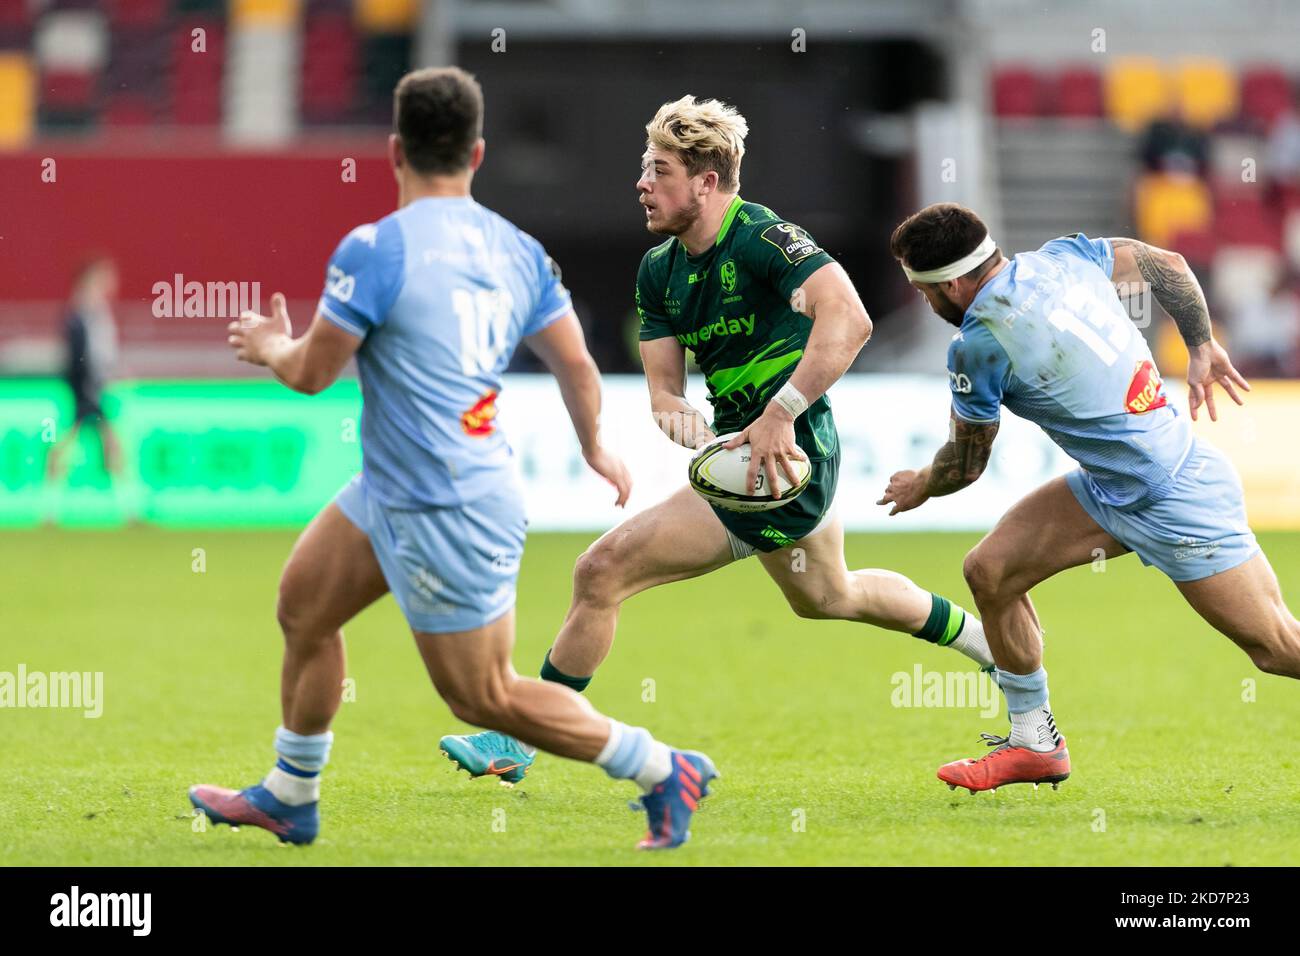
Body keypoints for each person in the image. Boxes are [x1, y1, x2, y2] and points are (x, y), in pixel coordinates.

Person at [189, 67, 717, 851]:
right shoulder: (519, 251)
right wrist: (594, 446)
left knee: (485, 697)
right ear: (476, 153)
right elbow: (575, 364)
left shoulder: (374, 248)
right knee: (303, 605)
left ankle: (661, 767)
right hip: (395, 487)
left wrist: (270, 345)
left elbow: (309, 374)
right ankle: (291, 794)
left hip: (447, 501)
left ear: (395, 150)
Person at [441, 95, 994, 785]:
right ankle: (986, 642)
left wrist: (781, 410)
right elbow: (665, 390)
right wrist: (680, 421)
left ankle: (519, 740)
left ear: (705, 182)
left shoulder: (762, 239)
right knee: (828, 596)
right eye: (645, 170)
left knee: (599, 572)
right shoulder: (659, 271)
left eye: (659, 170)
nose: (642, 184)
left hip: (792, 452)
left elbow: (849, 321)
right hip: (745, 452)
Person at [879, 201, 1300, 793]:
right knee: (991, 571)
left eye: (924, 292)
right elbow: (1166, 264)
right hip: (1116, 487)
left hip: (1174, 496)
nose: (927, 303)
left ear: (950, 283)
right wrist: (1201, 342)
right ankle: (1034, 742)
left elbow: (967, 465)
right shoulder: (1063, 257)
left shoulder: (980, 343)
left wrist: (921, 484)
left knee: (1277, 648)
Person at [46, 256, 124, 483]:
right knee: (108, 445)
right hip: (88, 388)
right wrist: (90, 386)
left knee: (108, 446)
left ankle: (129, 508)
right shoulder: (82, 312)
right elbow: (82, 355)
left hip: (94, 387)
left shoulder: (95, 311)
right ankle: (130, 509)